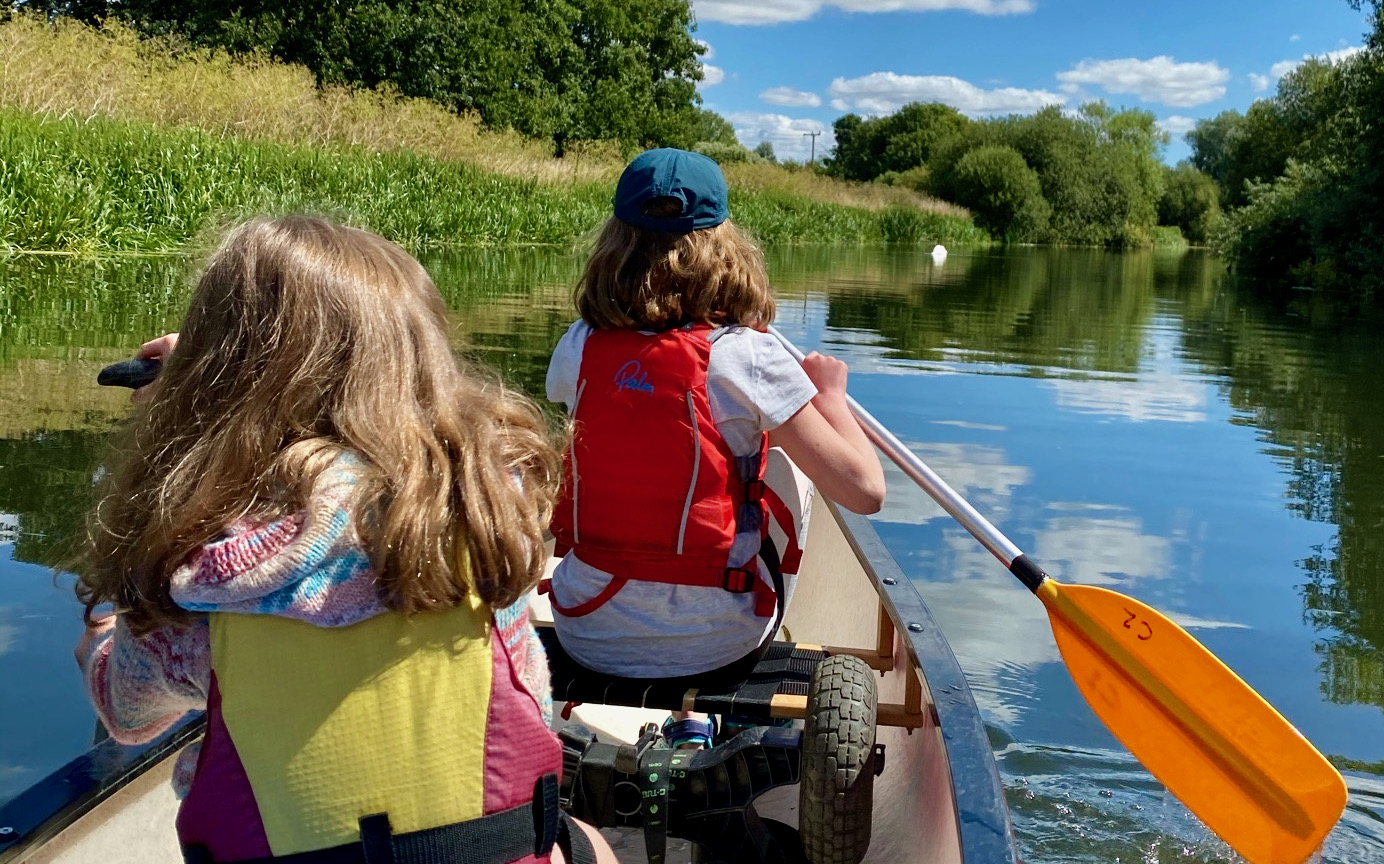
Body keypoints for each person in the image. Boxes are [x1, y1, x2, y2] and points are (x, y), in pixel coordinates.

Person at [74, 215, 615, 864]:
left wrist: (180, 424)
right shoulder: (484, 520)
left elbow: (129, 715)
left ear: (215, 381)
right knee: (590, 847)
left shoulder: (203, 573)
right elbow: (528, 690)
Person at [544, 149, 885, 747]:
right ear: (725, 245)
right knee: (782, 466)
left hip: (587, 626)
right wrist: (829, 397)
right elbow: (865, 491)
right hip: (717, 640)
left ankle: (684, 715)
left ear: (615, 241)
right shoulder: (749, 355)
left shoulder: (578, 345)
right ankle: (712, 718)